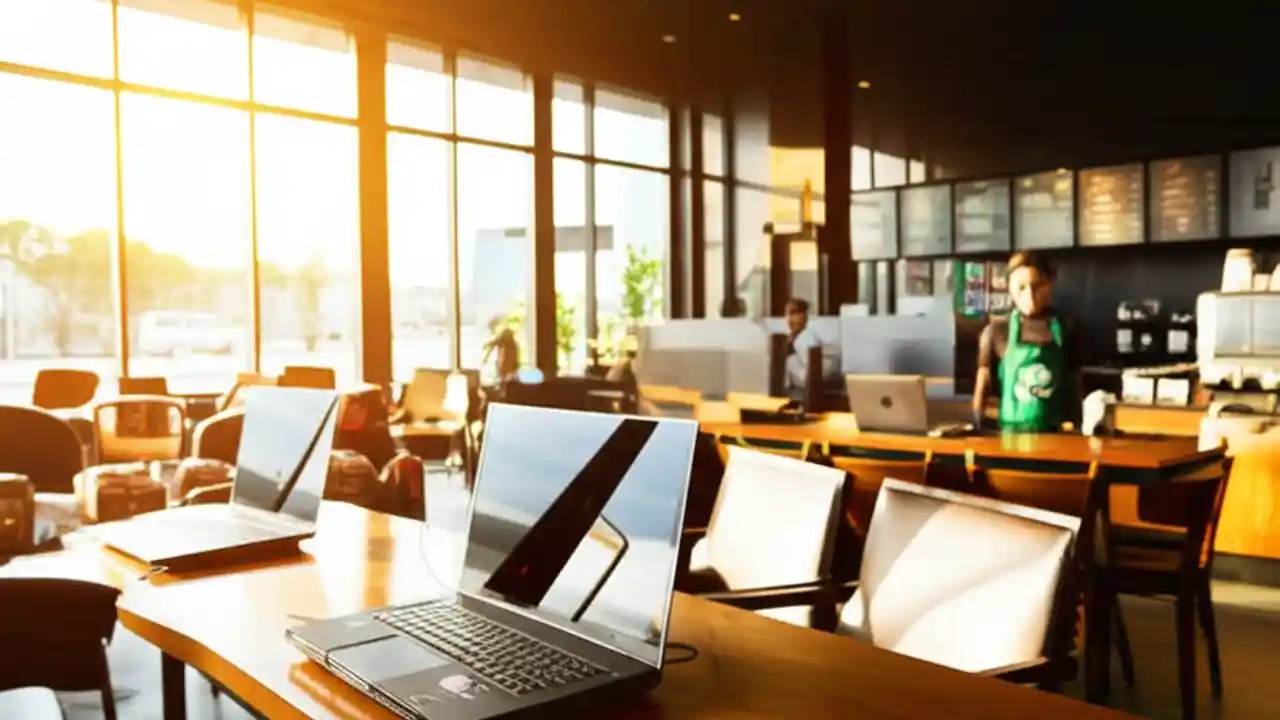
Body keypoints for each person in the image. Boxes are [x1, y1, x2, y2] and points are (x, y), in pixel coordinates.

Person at [973, 252, 1087, 433]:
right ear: (1009, 287)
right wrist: (978, 416)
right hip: (1010, 433)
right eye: (1021, 287)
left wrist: (1079, 422)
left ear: (1050, 283)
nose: (1030, 296)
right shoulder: (997, 330)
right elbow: (984, 376)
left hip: (1056, 434)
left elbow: (1075, 379)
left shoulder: (1067, 328)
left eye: (1038, 286)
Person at [783, 297, 820, 404]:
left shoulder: (809, 339)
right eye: (787, 314)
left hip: (805, 389)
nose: (789, 319)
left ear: (803, 316)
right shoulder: (790, 338)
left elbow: (809, 376)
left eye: (793, 314)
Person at [482, 317, 519, 383]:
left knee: (508, 379)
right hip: (506, 368)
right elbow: (493, 344)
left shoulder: (507, 341)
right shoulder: (505, 342)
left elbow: (494, 343)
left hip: (508, 368)